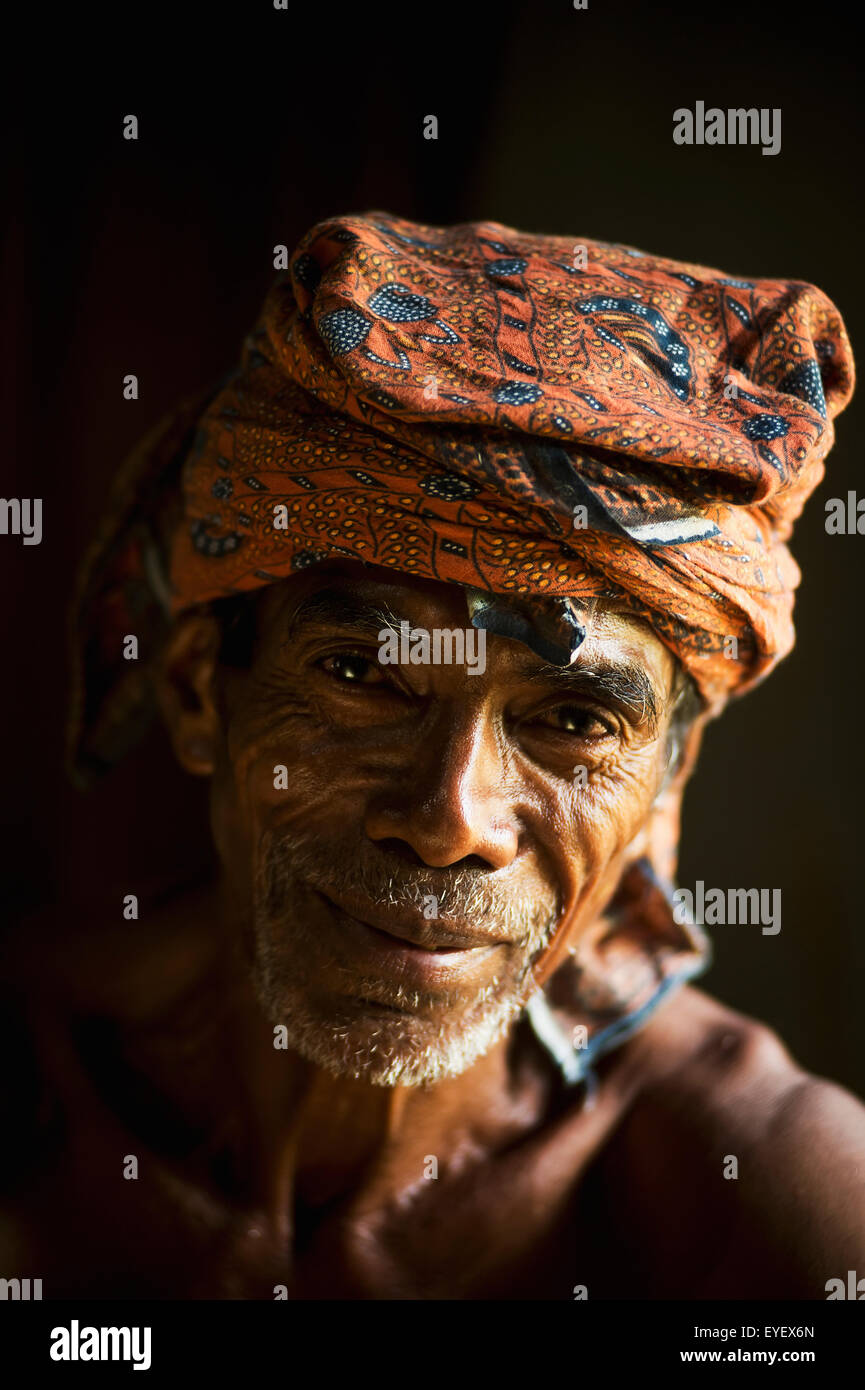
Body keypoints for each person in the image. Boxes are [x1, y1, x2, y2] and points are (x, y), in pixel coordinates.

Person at [4, 212, 865, 1300]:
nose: (452, 815)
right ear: (195, 694)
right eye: (361, 678)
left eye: (574, 721)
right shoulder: (33, 1093)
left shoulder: (760, 1211)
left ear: (665, 785)